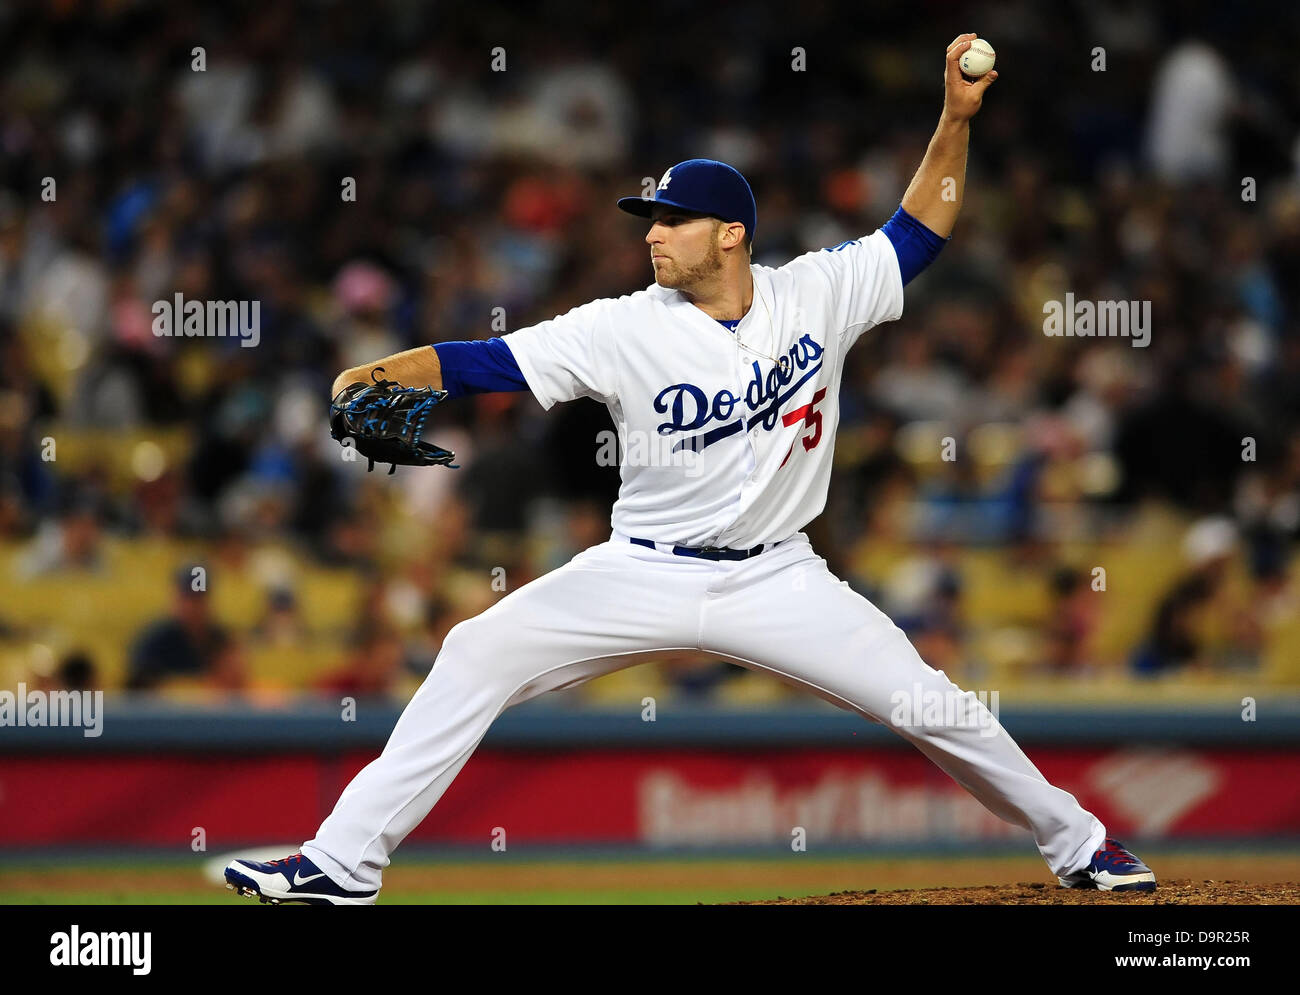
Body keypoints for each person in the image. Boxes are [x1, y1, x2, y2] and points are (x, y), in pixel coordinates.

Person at [226, 35, 1156, 905]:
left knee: (931, 702)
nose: (654, 233)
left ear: (732, 235)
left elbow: (920, 230)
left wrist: (954, 120)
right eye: (651, 219)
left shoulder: (817, 292)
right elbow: (488, 361)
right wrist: (385, 372)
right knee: (475, 650)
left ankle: (1079, 844)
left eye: (674, 220)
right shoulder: (623, 324)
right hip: (642, 566)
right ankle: (343, 865)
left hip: (777, 573)